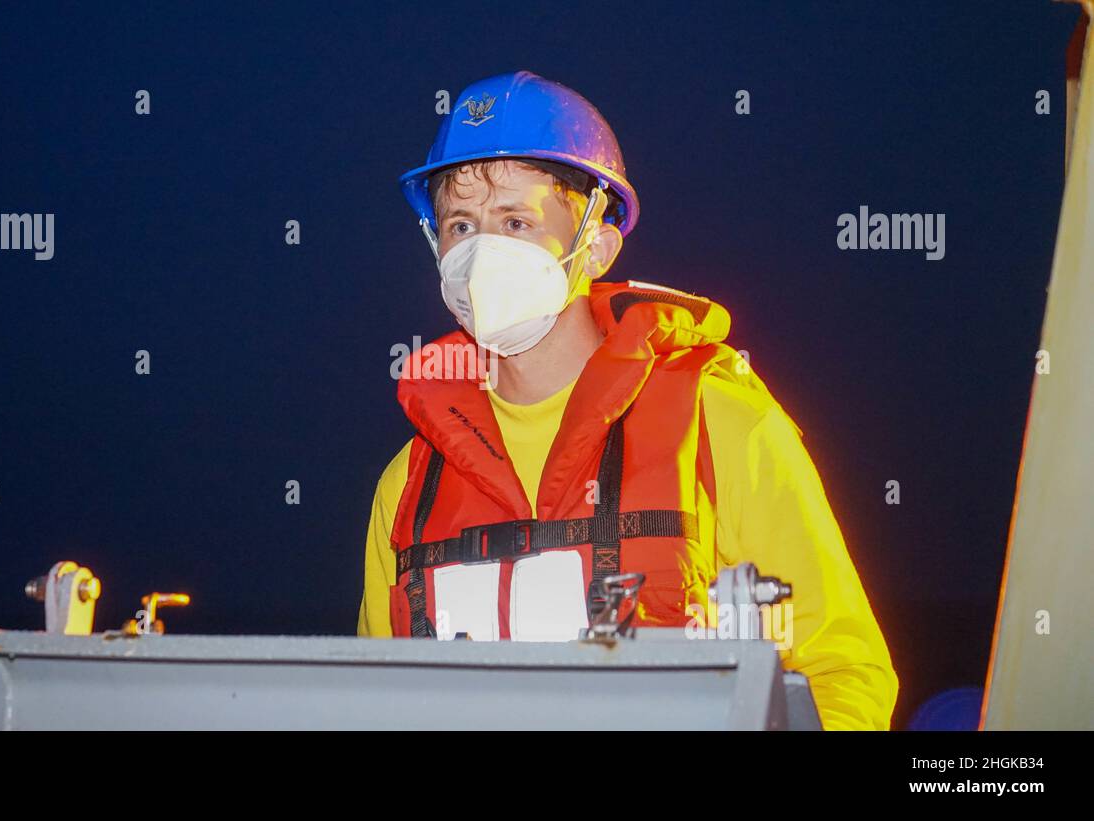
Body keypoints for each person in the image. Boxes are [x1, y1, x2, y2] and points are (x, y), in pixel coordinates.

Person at [357, 70, 898, 730]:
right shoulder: (406, 485)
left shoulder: (719, 425)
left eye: (516, 221)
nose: (480, 251)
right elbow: (374, 703)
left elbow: (841, 671)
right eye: (460, 224)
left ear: (597, 244)